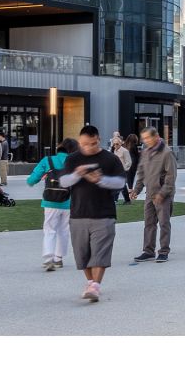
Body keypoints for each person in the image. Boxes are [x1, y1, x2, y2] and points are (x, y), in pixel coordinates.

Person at [54, 125, 128, 305]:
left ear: (99, 139)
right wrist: (77, 175)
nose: (89, 147)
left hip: (104, 214)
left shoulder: (110, 159)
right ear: (80, 142)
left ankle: (95, 285)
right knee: (82, 254)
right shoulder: (73, 159)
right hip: (78, 213)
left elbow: (120, 182)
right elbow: (63, 181)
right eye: (85, 144)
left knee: (100, 253)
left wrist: (100, 180)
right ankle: (90, 282)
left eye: (93, 144)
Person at [130, 126, 177, 264]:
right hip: (150, 194)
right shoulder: (145, 152)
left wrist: (162, 194)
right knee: (149, 223)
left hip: (163, 195)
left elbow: (171, 176)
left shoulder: (167, 153)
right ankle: (148, 251)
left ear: (156, 137)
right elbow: (141, 173)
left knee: (164, 223)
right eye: (143, 138)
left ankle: (163, 252)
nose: (145, 141)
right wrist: (136, 190)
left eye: (147, 138)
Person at [28, 137, 75, 270]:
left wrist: (31, 181)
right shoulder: (74, 161)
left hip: (50, 201)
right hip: (68, 201)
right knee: (64, 230)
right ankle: (58, 258)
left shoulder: (47, 160)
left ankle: (48, 258)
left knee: (49, 230)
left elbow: (33, 179)